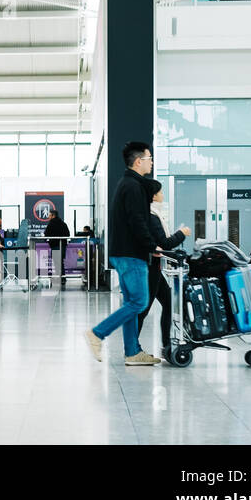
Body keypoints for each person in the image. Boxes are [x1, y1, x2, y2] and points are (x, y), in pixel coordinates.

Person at [85, 142, 192, 366]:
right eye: (149, 158)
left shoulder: (129, 184)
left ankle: (133, 352)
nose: (151, 162)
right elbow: (138, 222)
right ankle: (97, 333)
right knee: (139, 303)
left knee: (133, 303)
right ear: (138, 161)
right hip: (131, 254)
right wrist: (151, 247)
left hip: (125, 253)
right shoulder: (134, 187)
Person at [136, 179, 187, 358]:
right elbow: (164, 243)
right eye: (161, 192)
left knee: (167, 302)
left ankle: (166, 344)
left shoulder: (151, 214)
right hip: (151, 268)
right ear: (153, 196)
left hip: (154, 267)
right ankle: (133, 348)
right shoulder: (151, 216)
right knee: (143, 310)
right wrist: (182, 234)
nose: (163, 195)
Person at [43, 206, 71, 288]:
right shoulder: (63, 223)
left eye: (49, 215)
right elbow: (67, 234)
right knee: (61, 261)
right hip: (62, 245)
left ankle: (59, 277)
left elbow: (46, 234)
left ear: (53, 215)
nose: (48, 217)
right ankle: (62, 277)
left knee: (56, 262)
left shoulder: (51, 224)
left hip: (54, 245)